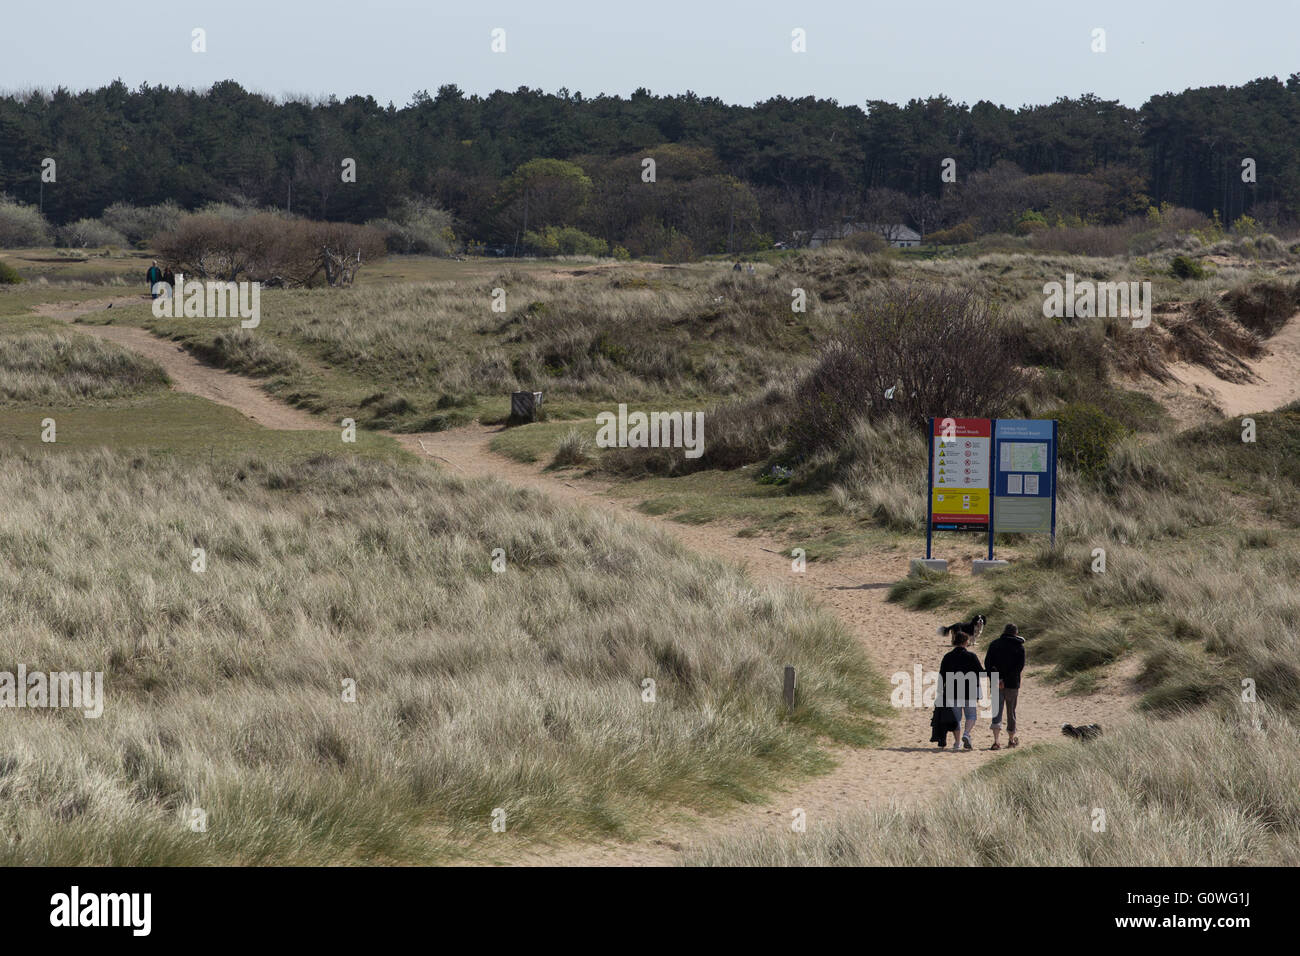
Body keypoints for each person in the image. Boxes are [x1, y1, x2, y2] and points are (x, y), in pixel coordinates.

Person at [937, 626, 984, 751]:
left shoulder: (948, 657)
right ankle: (966, 734)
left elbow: (942, 674)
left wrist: (940, 691)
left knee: (956, 718)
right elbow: (981, 672)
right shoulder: (972, 656)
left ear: (954, 641)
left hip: (952, 691)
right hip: (970, 691)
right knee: (971, 716)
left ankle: (957, 743)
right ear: (965, 642)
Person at [984, 623, 1026, 750]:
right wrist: (1006, 679)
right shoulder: (1019, 647)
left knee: (997, 711)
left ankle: (996, 741)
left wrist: (997, 679)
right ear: (1016, 633)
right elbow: (1019, 667)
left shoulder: (994, 644)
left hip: (997, 682)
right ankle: (1011, 740)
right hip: (1012, 683)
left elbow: (988, 664)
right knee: (1011, 712)